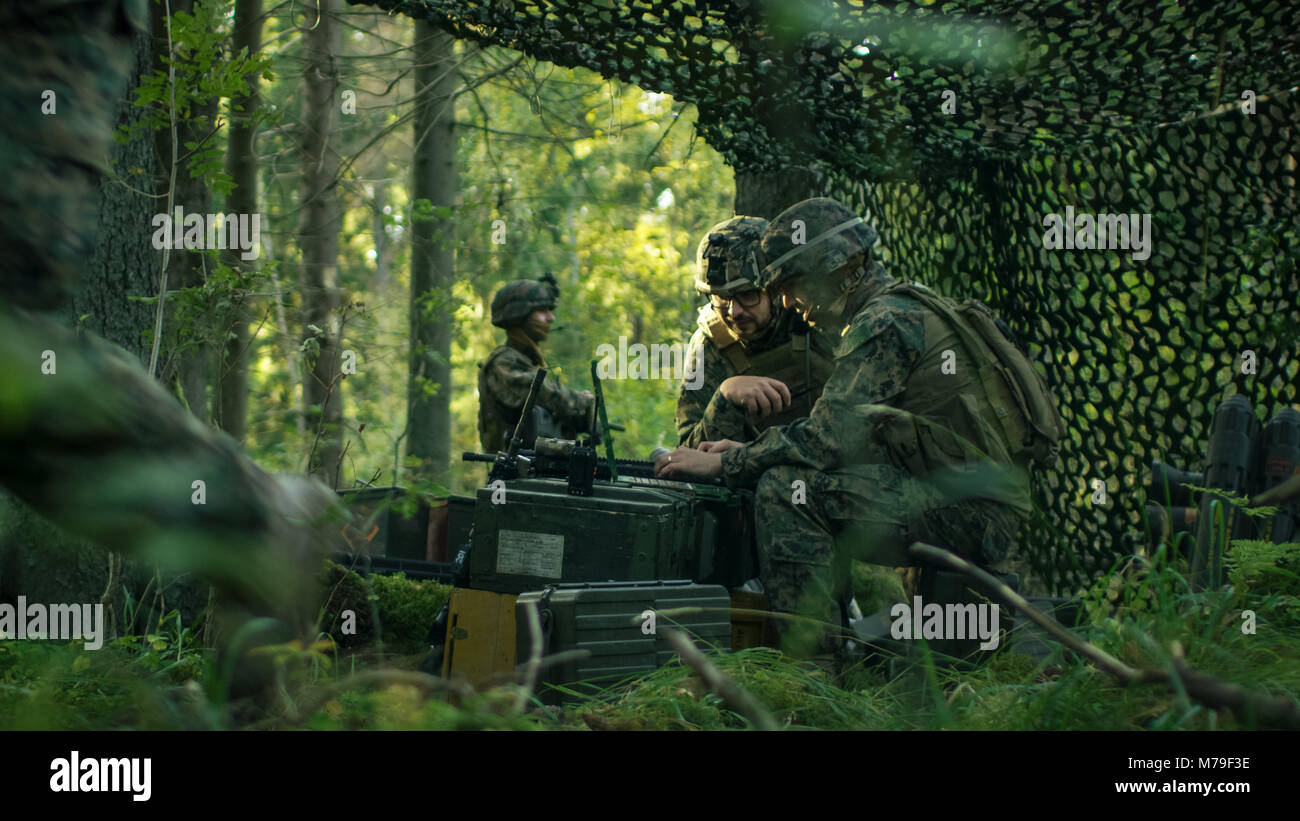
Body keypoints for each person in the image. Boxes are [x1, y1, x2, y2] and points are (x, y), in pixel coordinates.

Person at [655, 198, 1061, 658]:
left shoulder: (883, 322)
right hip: (964, 496)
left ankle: (814, 671)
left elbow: (829, 439)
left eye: (790, 287)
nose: (788, 301)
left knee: (785, 490)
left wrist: (728, 461)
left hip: (969, 510)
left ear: (834, 273)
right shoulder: (902, 306)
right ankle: (868, 654)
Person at [675, 217, 835, 447]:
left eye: (748, 295)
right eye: (722, 297)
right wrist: (725, 396)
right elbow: (689, 450)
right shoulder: (708, 345)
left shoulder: (812, 320)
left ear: (775, 289)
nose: (734, 311)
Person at [477, 274, 594, 452]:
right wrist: (581, 403)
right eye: (542, 310)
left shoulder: (524, 362)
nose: (551, 318)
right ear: (519, 315)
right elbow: (540, 393)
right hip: (513, 474)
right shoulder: (502, 363)